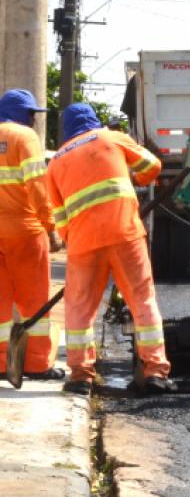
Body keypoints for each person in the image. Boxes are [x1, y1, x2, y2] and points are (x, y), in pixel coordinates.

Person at [45, 103, 172, 396]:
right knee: (142, 301)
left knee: (79, 310)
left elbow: (60, 218)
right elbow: (152, 166)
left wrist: (76, 240)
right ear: (94, 121)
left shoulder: (56, 163)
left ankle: (80, 377)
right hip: (125, 234)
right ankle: (155, 371)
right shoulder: (110, 137)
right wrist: (135, 179)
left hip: (83, 244)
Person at [0, 89, 62, 381]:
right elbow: (37, 185)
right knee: (34, 300)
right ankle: (36, 364)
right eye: (33, 114)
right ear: (25, 115)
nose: (35, 120)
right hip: (25, 231)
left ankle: (2, 364)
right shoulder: (24, 137)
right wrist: (50, 227)